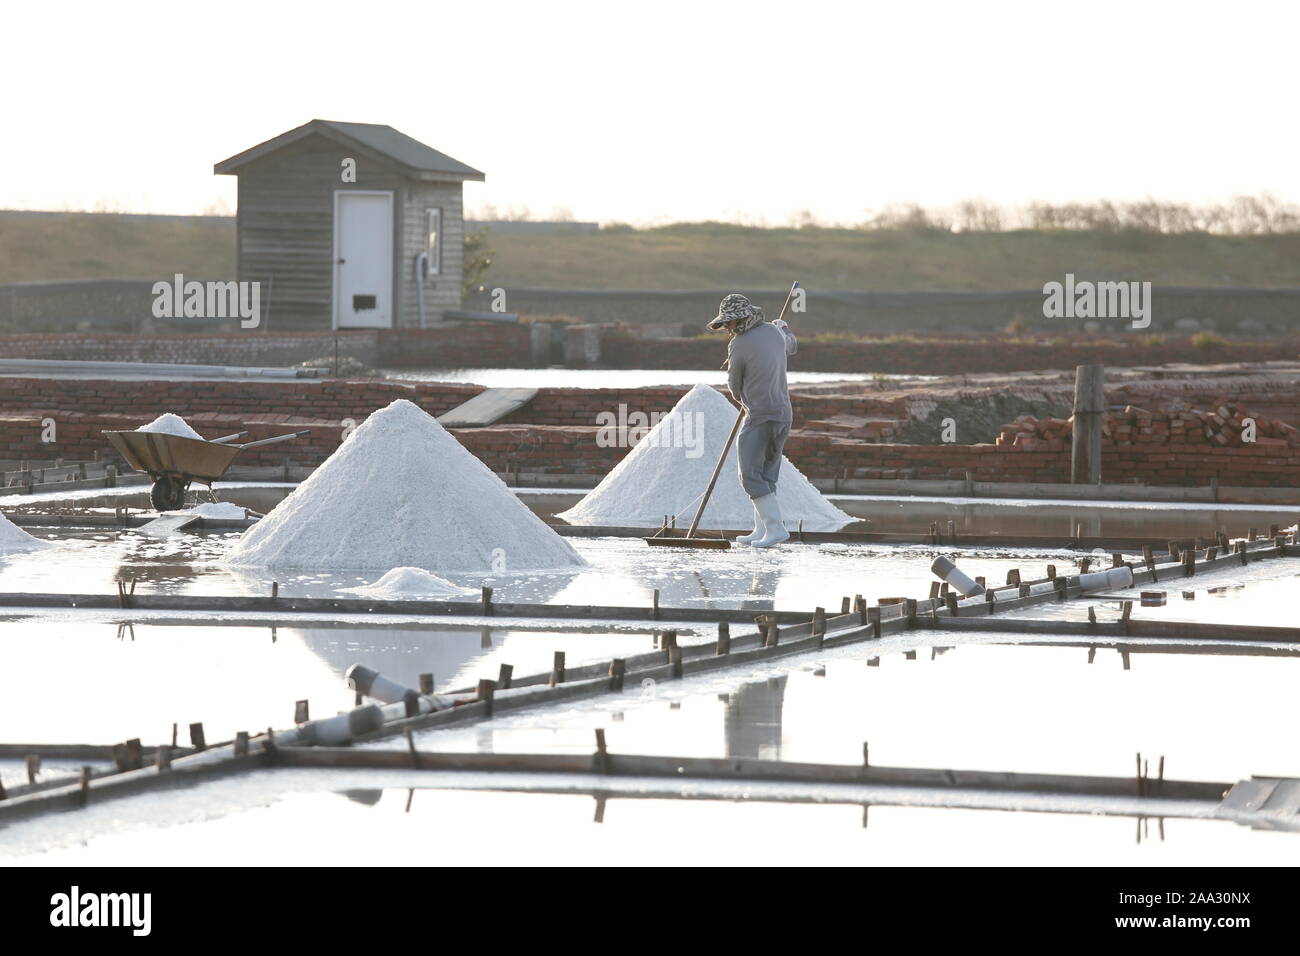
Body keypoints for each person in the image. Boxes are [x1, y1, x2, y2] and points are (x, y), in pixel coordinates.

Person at [708, 292, 798, 547]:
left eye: (729, 322)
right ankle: (762, 531)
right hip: (783, 413)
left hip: (759, 415)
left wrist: (743, 401)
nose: (727, 328)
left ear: (741, 319)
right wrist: (784, 329)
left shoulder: (738, 344)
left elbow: (734, 382)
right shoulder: (774, 332)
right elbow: (792, 345)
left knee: (748, 473)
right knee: (767, 473)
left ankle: (775, 529)